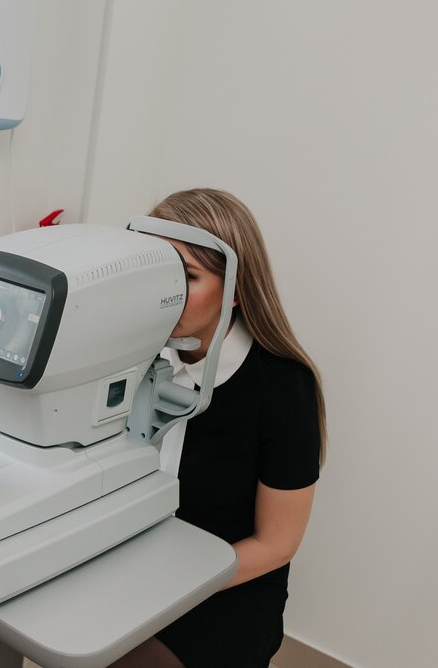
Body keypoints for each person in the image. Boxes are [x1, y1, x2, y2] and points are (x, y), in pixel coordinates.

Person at [112, 189, 326, 668]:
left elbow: (277, 544)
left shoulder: (283, 388)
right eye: (157, 270)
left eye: (187, 276)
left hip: (227, 584)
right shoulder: (134, 357)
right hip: (136, 562)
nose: (166, 291)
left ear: (235, 290)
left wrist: (175, 584)